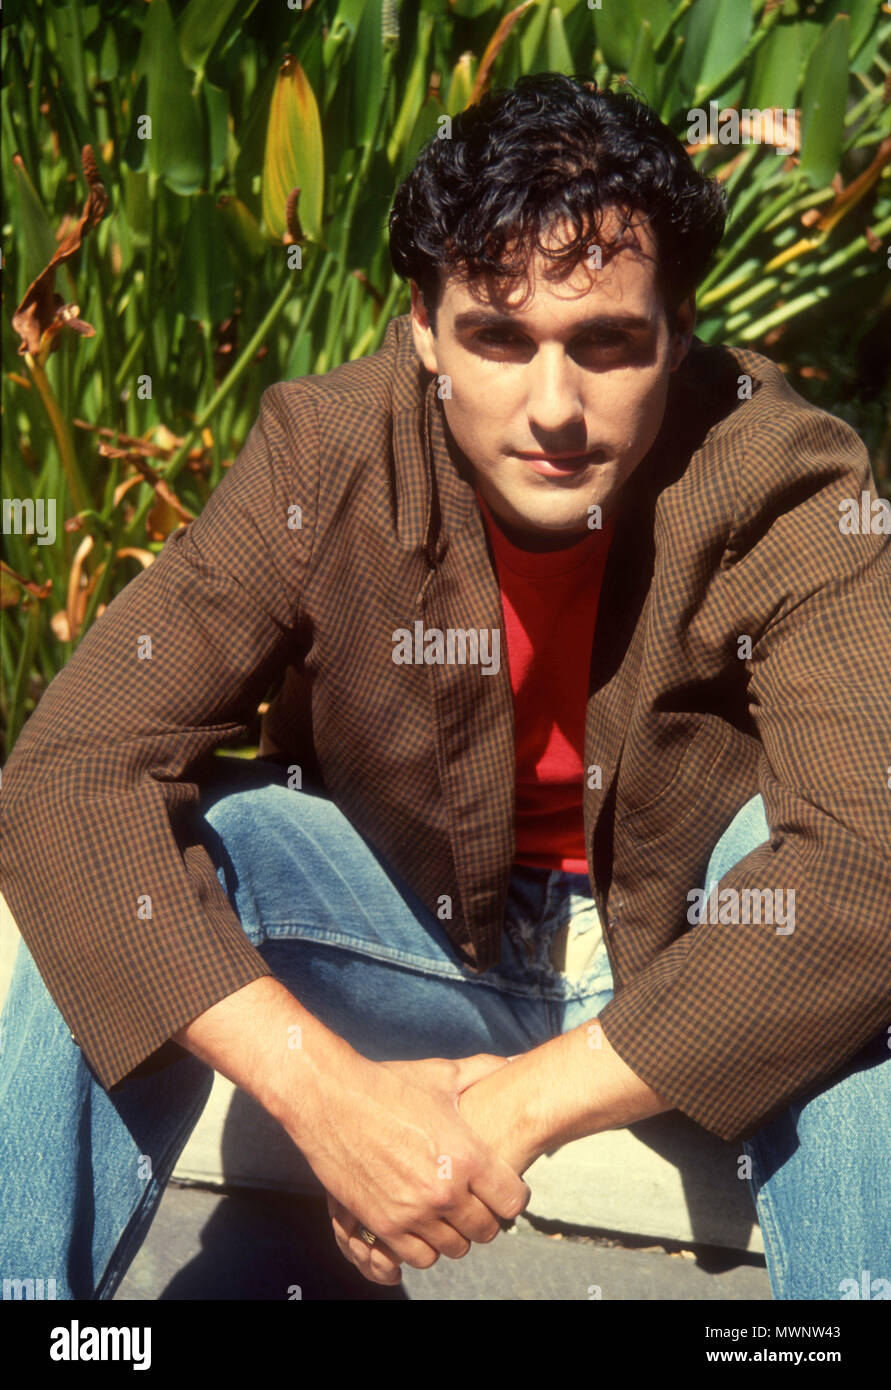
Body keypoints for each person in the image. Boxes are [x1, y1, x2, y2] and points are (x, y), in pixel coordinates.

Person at [2, 74, 889, 1302]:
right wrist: (329, 1095)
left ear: (679, 331)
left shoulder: (786, 475)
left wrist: (515, 1111)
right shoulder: (327, 453)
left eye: (607, 344)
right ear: (423, 327)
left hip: (683, 957)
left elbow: (868, 862)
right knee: (140, 857)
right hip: (415, 940)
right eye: (497, 338)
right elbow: (68, 768)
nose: (553, 408)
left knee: (826, 943)